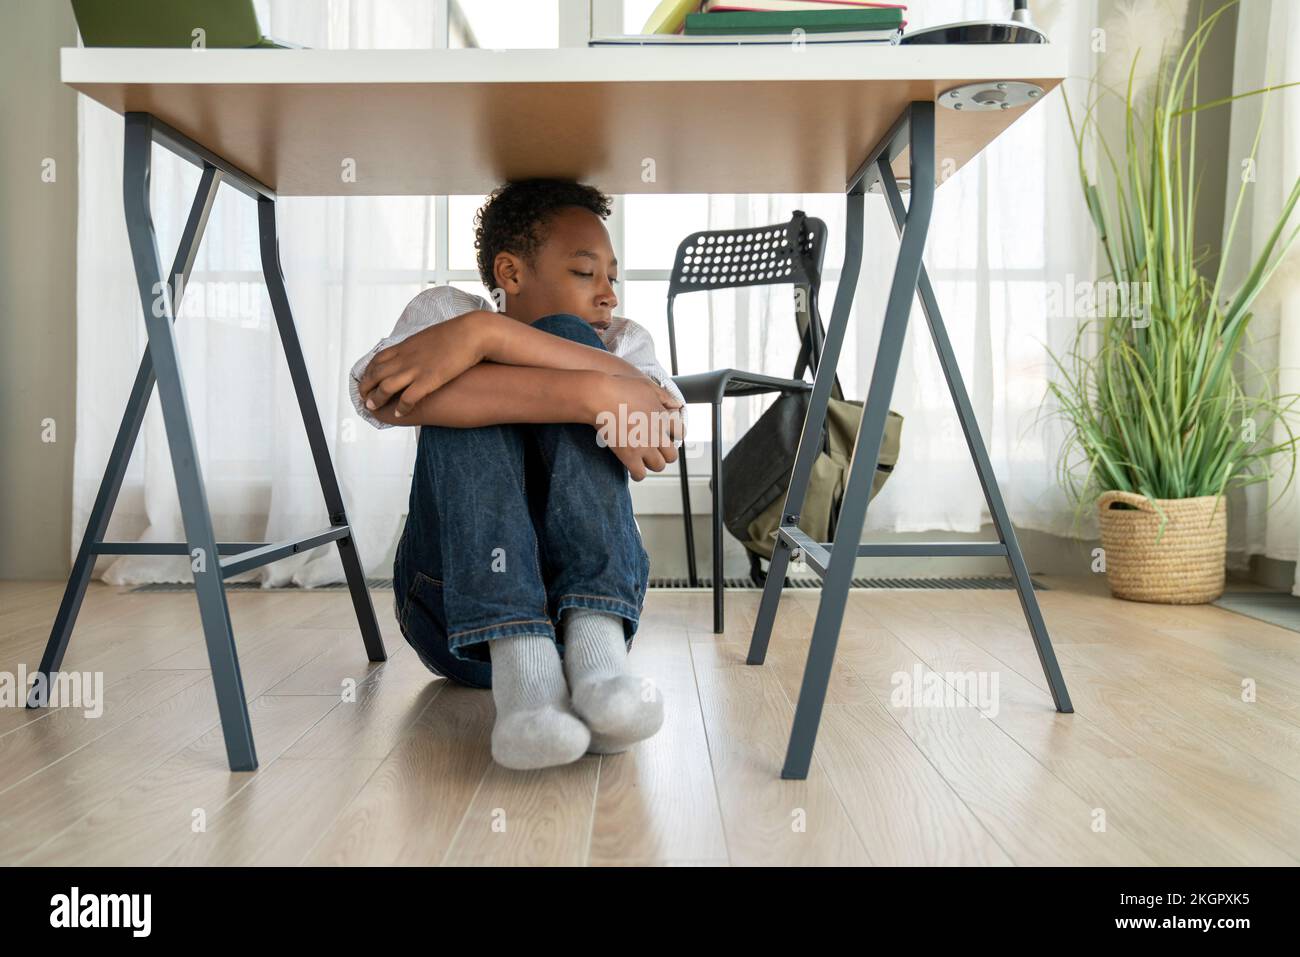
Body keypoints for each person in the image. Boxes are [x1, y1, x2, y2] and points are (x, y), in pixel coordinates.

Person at [350, 179, 686, 770]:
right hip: (453, 619)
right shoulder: (449, 315)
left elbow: (660, 421)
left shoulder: (625, 340)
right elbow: (384, 396)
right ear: (510, 271)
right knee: (484, 376)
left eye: (612, 274)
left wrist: (495, 342)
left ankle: (599, 669)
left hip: (590, 609)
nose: (608, 294)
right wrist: (585, 387)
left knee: (557, 338)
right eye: (586, 273)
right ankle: (524, 677)